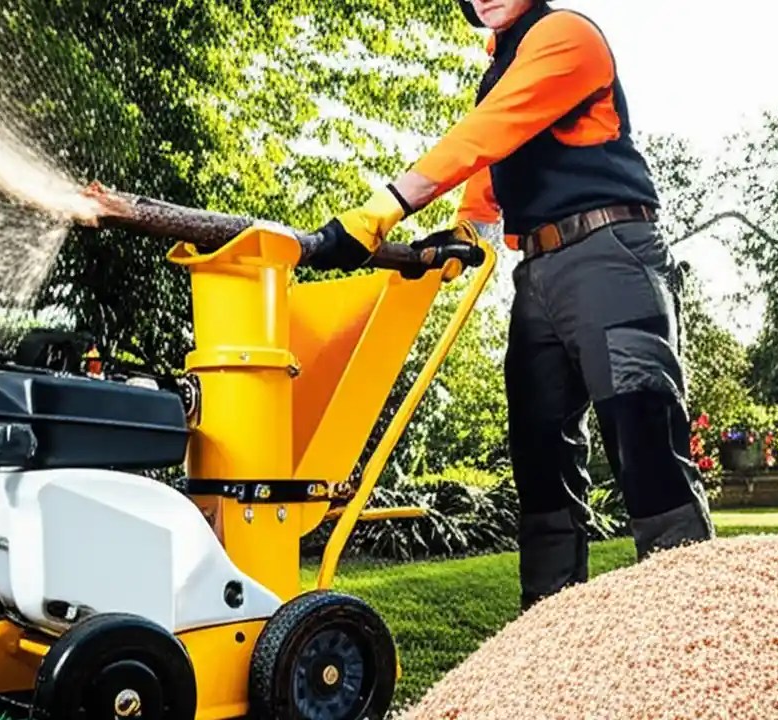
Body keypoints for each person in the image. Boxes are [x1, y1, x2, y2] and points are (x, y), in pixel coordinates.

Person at [304, 0, 715, 609]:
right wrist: (465, 233)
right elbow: (488, 174)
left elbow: (486, 133)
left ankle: (691, 623)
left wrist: (381, 211)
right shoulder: (499, 70)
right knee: (539, 458)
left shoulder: (565, 34)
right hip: (537, 273)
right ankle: (546, 636)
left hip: (609, 255)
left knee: (643, 438)